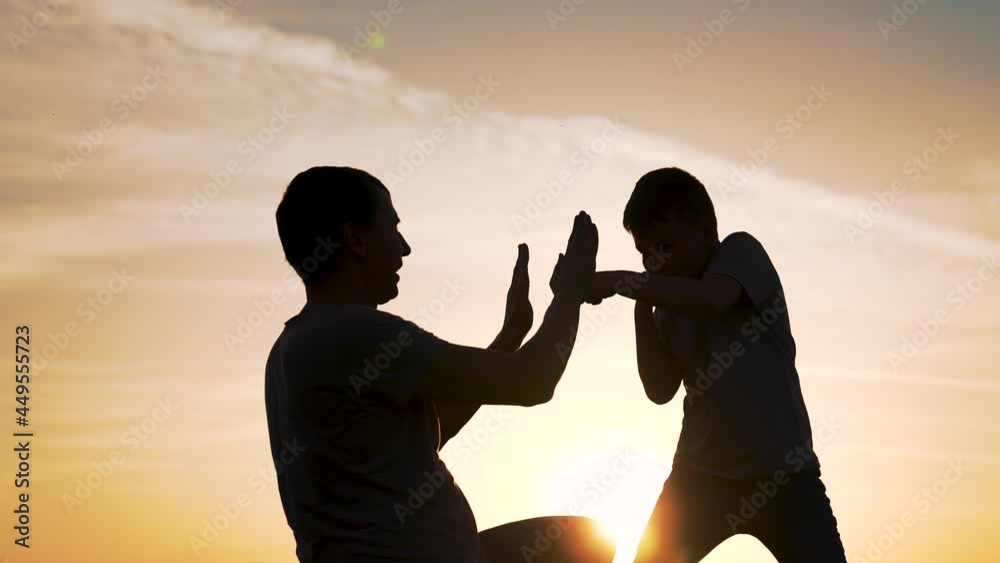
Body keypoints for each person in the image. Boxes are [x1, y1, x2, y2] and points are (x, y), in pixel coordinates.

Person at [264, 166, 599, 563]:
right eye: (392, 228)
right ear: (355, 239)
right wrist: (571, 292)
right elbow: (534, 381)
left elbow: (422, 437)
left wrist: (509, 336)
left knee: (579, 541)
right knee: (584, 547)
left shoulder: (294, 344)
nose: (404, 248)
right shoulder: (359, 333)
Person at [582, 168, 846, 562]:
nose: (655, 262)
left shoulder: (740, 253)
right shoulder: (667, 303)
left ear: (706, 231)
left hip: (784, 476)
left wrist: (626, 281)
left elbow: (711, 299)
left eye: (666, 246)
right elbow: (659, 390)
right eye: (645, 253)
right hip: (699, 478)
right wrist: (641, 306)